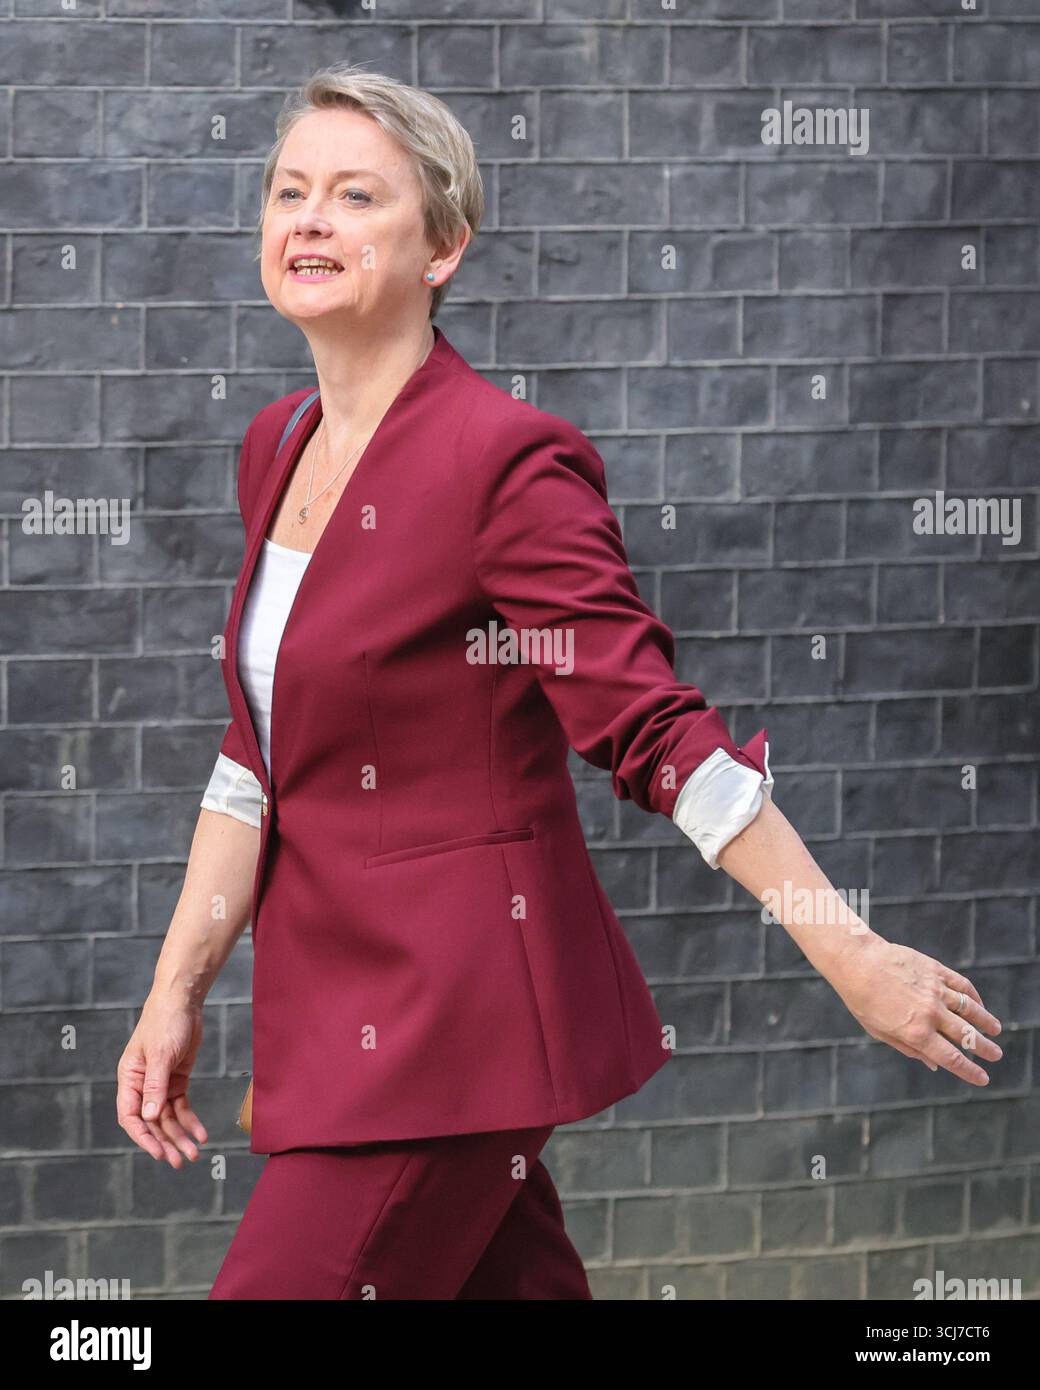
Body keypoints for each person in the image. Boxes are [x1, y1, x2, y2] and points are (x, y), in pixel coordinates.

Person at [116, 63, 1003, 1300]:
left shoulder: (505, 462)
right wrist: (174, 996)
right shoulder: (275, 445)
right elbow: (251, 760)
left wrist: (842, 947)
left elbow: (650, 730)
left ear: (443, 247)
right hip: (337, 1017)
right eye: (288, 191)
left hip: (450, 1032)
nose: (307, 220)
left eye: (355, 196)